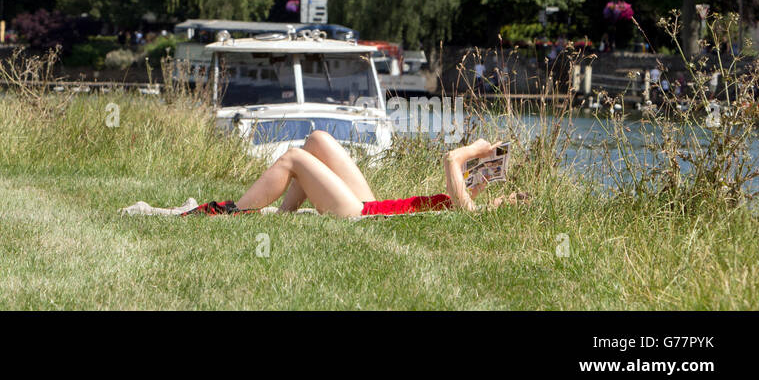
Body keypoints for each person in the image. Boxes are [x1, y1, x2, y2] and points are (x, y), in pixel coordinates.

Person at [186, 132, 524, 218]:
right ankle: (282, 216)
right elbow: (457, 194)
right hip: (373, 206)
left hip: (359, 215)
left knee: (294, 159)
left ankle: (233, 212)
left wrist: (473, 151)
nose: (509, 195)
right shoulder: (468, 208)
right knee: (318, 140)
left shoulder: (471, 216)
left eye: (514, 200)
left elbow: (451, 158)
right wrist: (483, 172)